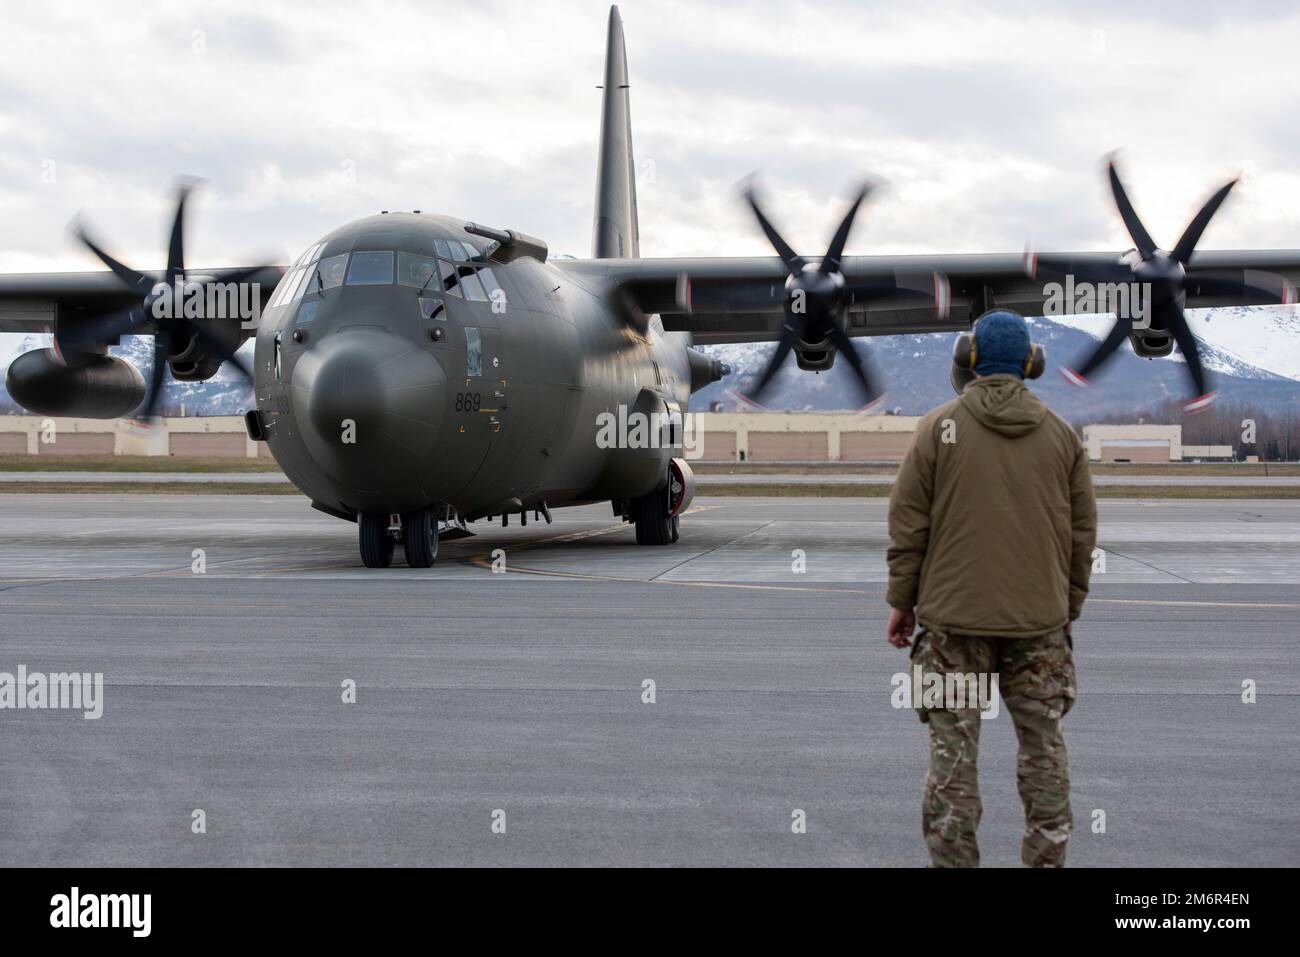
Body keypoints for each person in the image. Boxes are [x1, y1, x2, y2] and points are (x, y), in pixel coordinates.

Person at [885, 309, 1097, 868]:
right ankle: (1045, 860)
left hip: (953, 628)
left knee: (953, 760)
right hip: (1040, 627)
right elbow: (1082, 535)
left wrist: (901, 603)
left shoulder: (937, 428)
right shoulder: (1062, 437)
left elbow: (909, 525)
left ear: (970, 360)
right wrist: (1068, 606)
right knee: (1044, 750)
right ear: (1032, 363)